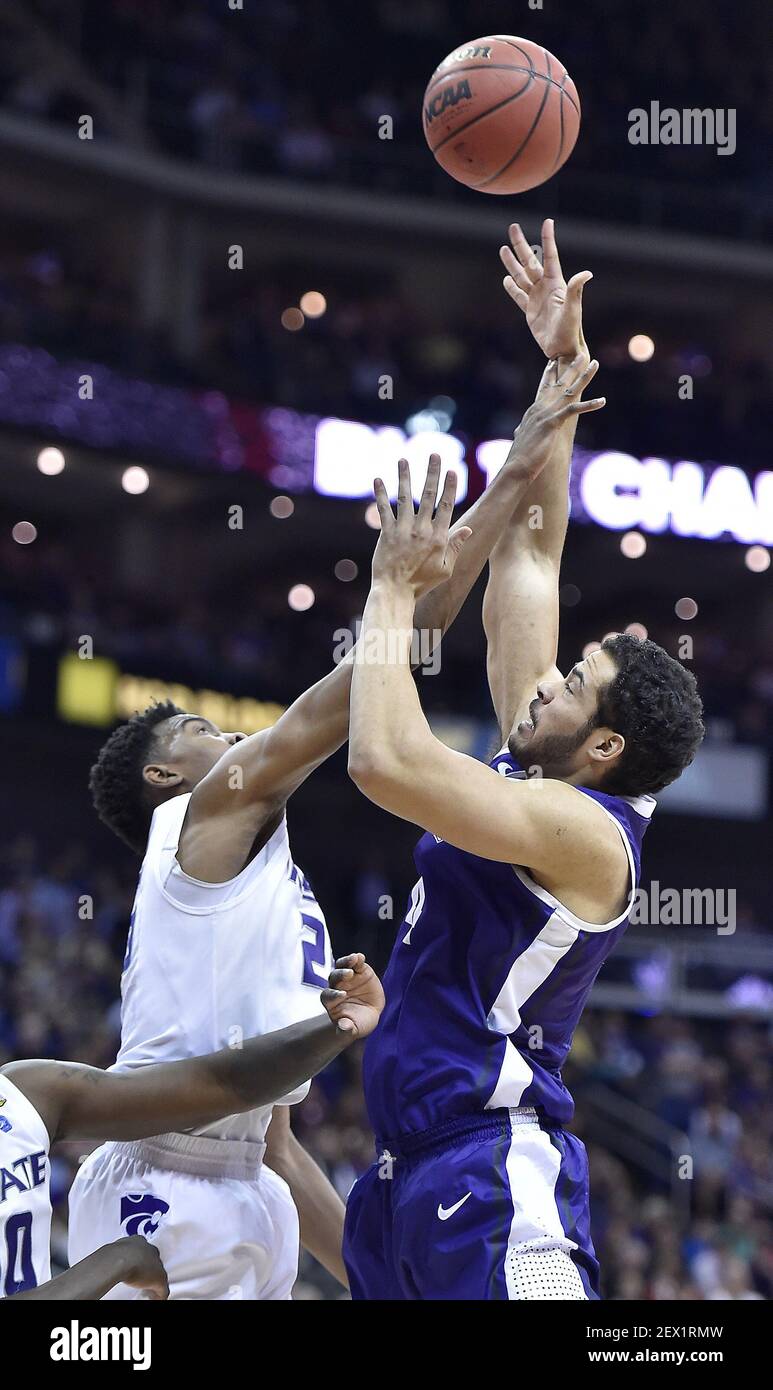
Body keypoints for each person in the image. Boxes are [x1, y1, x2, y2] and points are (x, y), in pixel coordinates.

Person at [66, 330, 583, 1299]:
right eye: (194, 727)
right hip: (159, 1179)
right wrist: (512, 468)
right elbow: (370, 674)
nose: (220, 729)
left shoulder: (254, 870)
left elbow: (277, 1149)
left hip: (237, 1180)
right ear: (162, 779)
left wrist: (386, 1282)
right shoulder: (201, 822)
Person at [342, 221, 705, 1300]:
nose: (545, 678)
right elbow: (533, 549)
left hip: (494, 1172)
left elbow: (383, 758)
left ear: (604, 747)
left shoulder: (582, 831)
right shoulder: (537, 768)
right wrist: (557, 375)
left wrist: (393, 590)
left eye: (573, 681)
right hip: (407, 1172)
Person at [2, 954, 382, 1299]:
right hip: (143, 1216)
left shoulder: (23, 1089)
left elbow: (242, 1112)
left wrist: (337, 1027)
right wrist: (118, 1260)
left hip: (228, 1188)